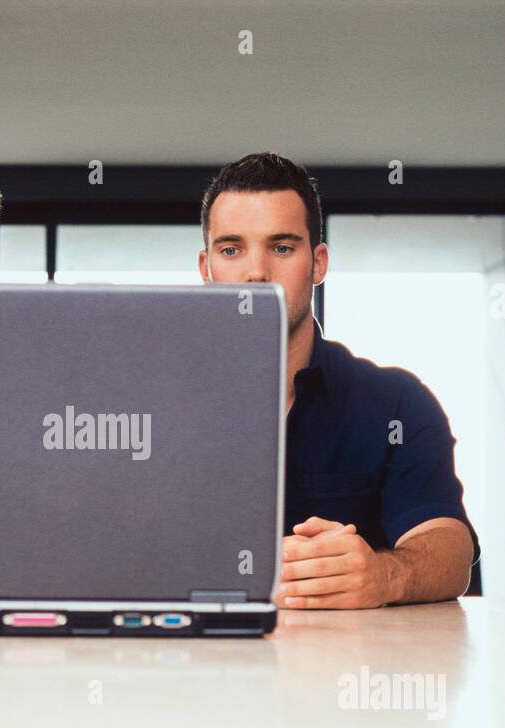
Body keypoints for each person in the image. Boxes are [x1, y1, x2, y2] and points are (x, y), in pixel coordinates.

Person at [198, 152, 480, 609]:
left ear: (319, 263)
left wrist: (387, 575)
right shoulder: (149, 408)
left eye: (282, 247)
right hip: (195, 666)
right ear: (205, 269)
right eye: (231, 250)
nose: (256, 272)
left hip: (345, 672)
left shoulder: (398, 404)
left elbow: (450, 548)